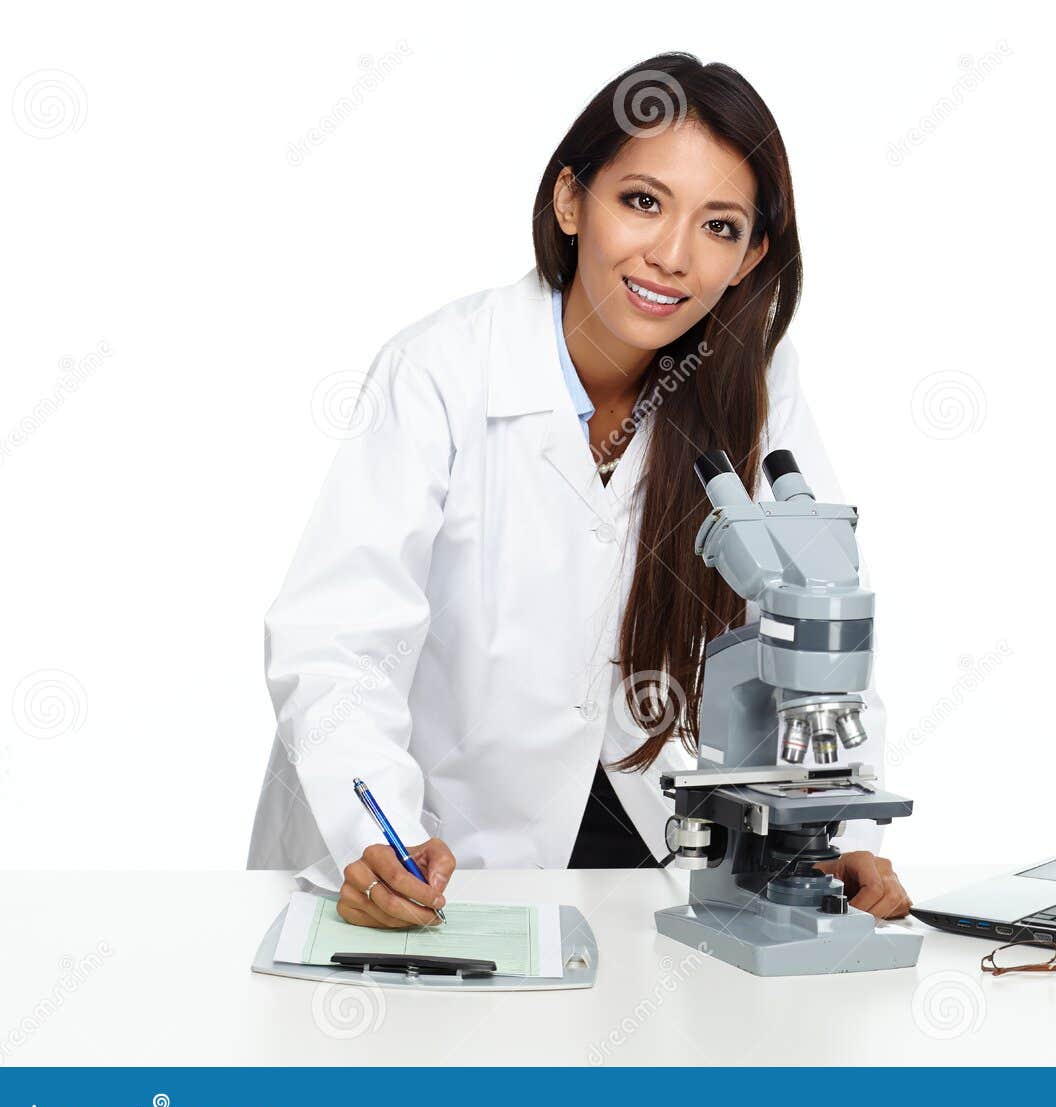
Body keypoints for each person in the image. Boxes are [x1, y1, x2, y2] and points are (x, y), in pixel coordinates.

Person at [246, 52, 911, 929]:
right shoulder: (442, 372)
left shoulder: (753, 381)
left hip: (645, 843)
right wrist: (375, 831)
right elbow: (337, 642)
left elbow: (809, 610)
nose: (671, 256)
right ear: (571, 201)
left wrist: (817, 833)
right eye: (643, 201)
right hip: (436, 842)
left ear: (750, 257)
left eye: (719, 226)